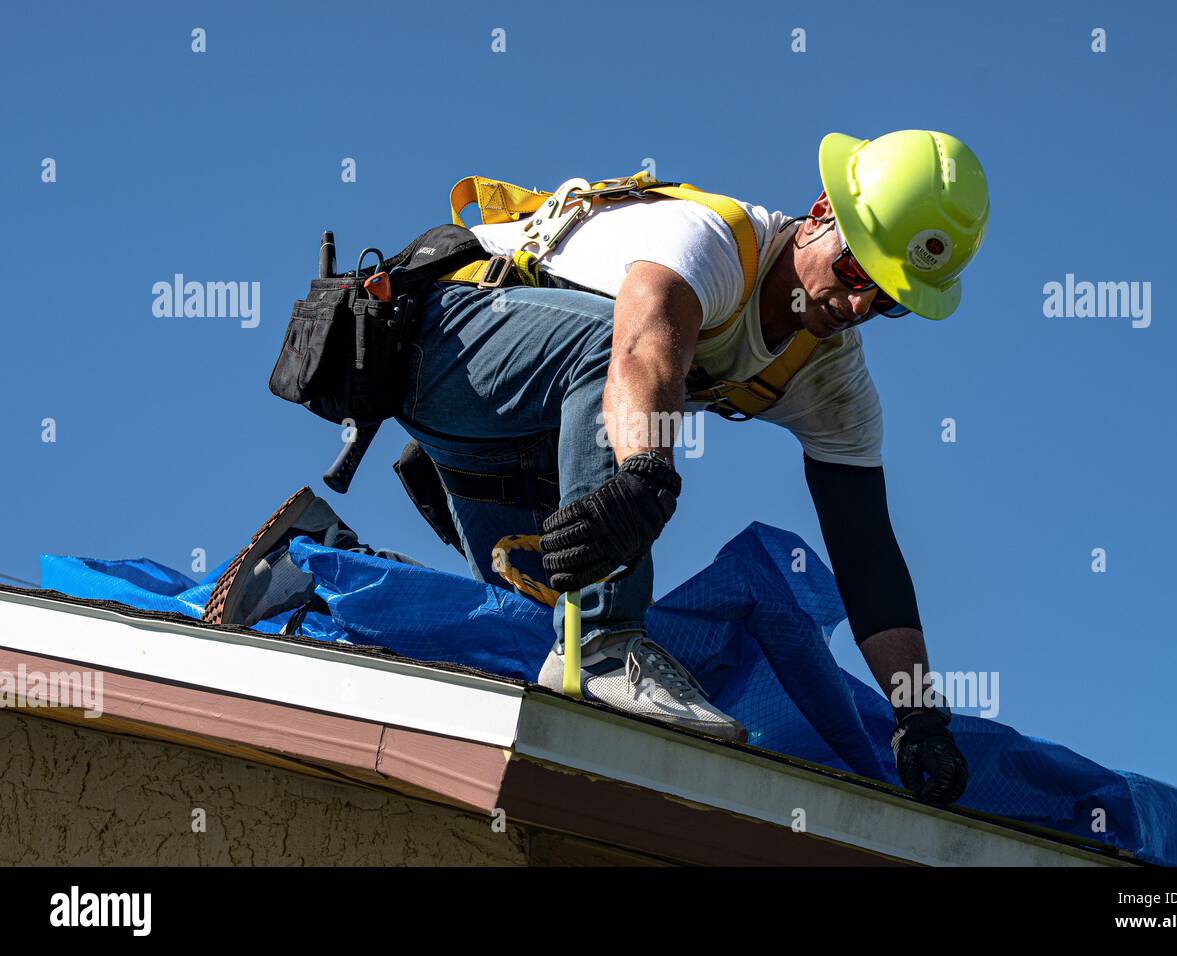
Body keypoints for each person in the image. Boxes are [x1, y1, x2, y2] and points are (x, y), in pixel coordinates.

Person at [211, 130, 988, 806]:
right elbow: (643, 337)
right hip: (448, 347)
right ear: (823, 212)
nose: (856, 309)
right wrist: (646, 473)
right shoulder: (715, 242)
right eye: (856, 276)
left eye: (887, 301)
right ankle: (609, 644)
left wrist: (917, 712)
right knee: (613, 365)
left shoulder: (832, 381)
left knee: (529, 634)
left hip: (525, 437)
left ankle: (323, 575)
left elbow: (867, 550)